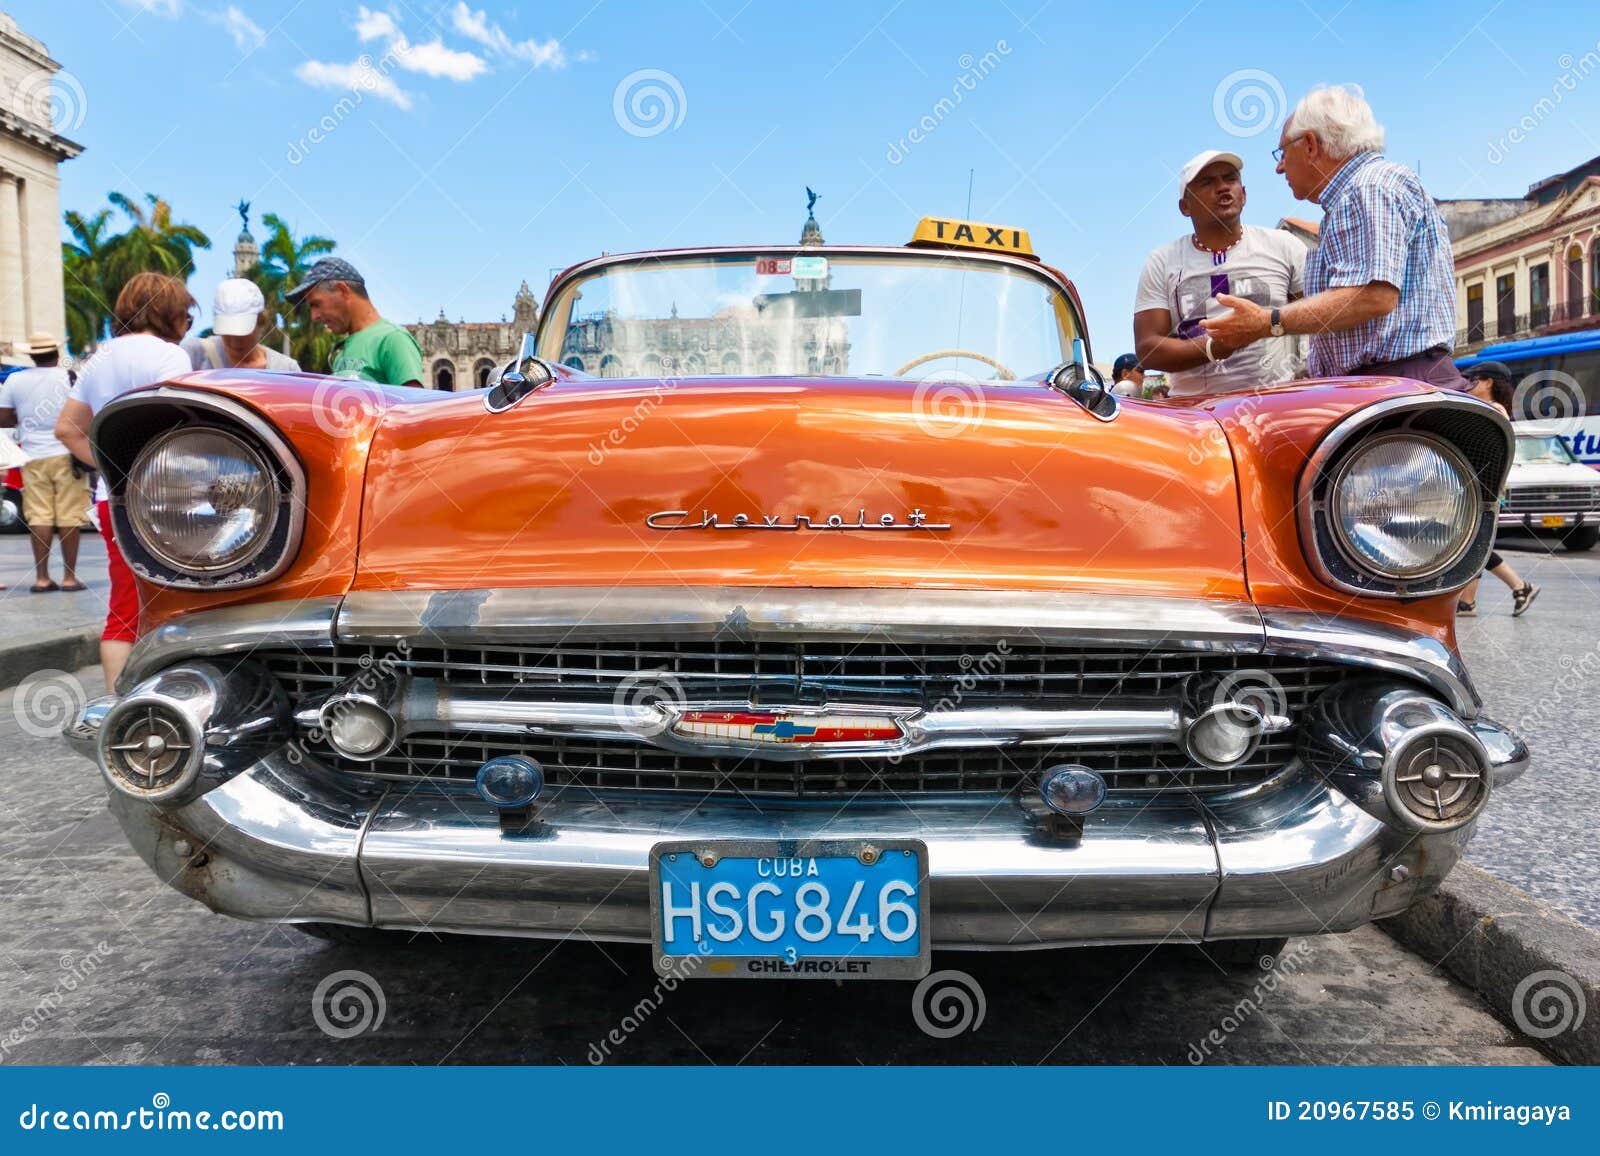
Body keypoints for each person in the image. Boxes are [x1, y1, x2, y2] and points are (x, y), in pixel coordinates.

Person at [1202, 85, 1468, 390]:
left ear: (1311, 144)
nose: (1279, 167)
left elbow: (1374, 296)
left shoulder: (1366, 189)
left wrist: (1267, 322)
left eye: (1282, 152)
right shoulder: (1365, 190)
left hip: (1393, 384)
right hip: (1393, 380)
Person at [54, 273, 195, 688]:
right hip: (167, 502)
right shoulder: (170, 357)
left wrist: (116, 470)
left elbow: (67, 429)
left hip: (112, 499)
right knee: (178, 602)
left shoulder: (100, 357)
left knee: (123, 611)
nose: (187, 322)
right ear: (167, 312)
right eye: (184, 313)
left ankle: (120, 708)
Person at [1134, 149, 1305, 396]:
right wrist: (1214, 347)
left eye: (1230, 179)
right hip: (1194, 414)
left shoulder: (1284, 246)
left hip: (1273, 404)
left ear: (1244, 195)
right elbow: (1148, 349)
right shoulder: (1162, 261)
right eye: (1207, 182)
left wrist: (1267, 325)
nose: (1223, 188)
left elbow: (1320, 318)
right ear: (1185, 207)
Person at [0, 334, 90, 593]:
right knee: (69, 515)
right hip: (67, 454)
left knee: (39, 515)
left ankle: (42, 578)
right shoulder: (72, 377)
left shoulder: (15, 380)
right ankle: (69, 578)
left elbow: (3, 418)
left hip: (31, 456)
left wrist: (26, 417)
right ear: (57, 352)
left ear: (31, 355)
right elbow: (86, 412)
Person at [1458, 361, 1538, 617]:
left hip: (1484, 488)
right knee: (1474, 542)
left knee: (1474, 542)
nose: (1469, 386)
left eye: (1474, 381)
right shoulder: (1491, 409)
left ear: (1488, 382)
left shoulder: (1493, 410)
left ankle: (1519, 586)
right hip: (1480, 486)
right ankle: (1468, 602)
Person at [285, 258, 423, 387]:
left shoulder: (393, 339)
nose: (314, 316)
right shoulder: (341, 351)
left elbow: (415, 409)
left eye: (316, 304)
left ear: (342, 290)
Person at [183, 278, 301, 371]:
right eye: (227, 331)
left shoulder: (286, 369)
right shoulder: (195, 354)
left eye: (242, 332)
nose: (234, 342)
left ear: (261, 323)